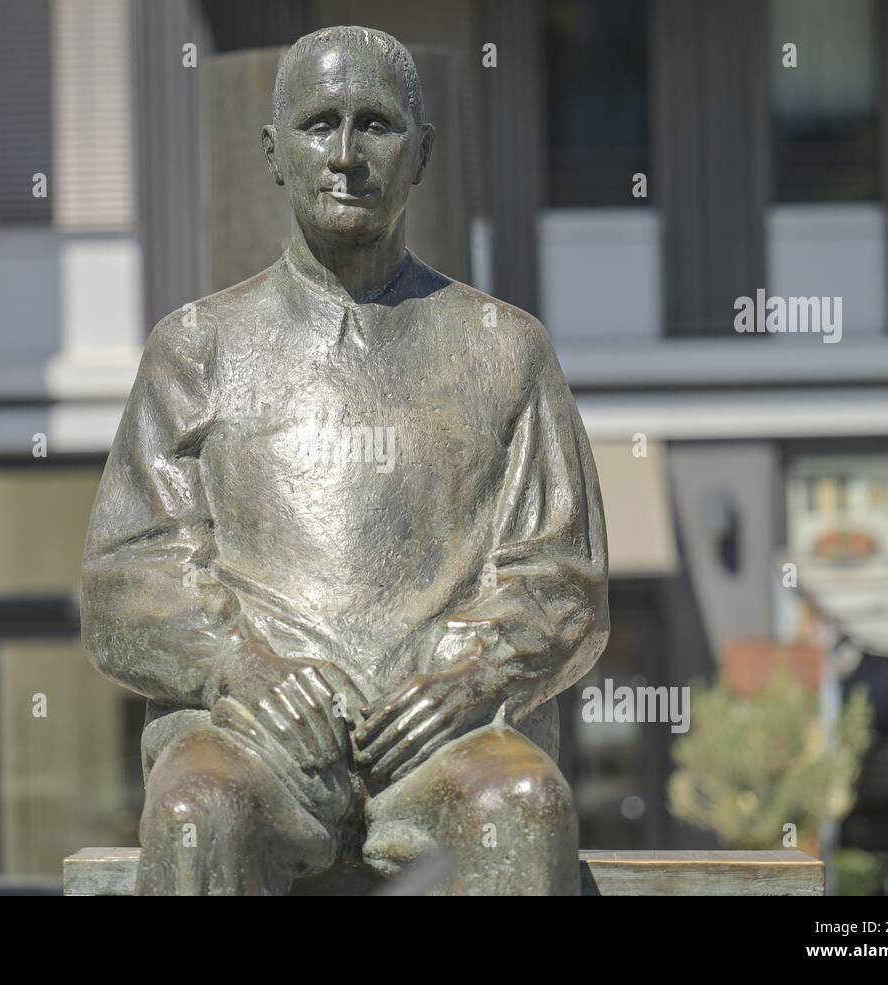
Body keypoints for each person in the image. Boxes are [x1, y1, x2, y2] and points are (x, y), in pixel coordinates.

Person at [82, 26, 608, 895]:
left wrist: (465, 675)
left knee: (524, 802)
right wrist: (241, 666)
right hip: (256, 735)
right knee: (195, 810)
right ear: (274, 152)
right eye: (320, 125)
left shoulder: (506, 348)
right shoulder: (199, 347)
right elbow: (129, 575)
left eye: (377, 125)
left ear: (424, 153)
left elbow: (560, 573)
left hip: (447, 739)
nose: (347, 156)